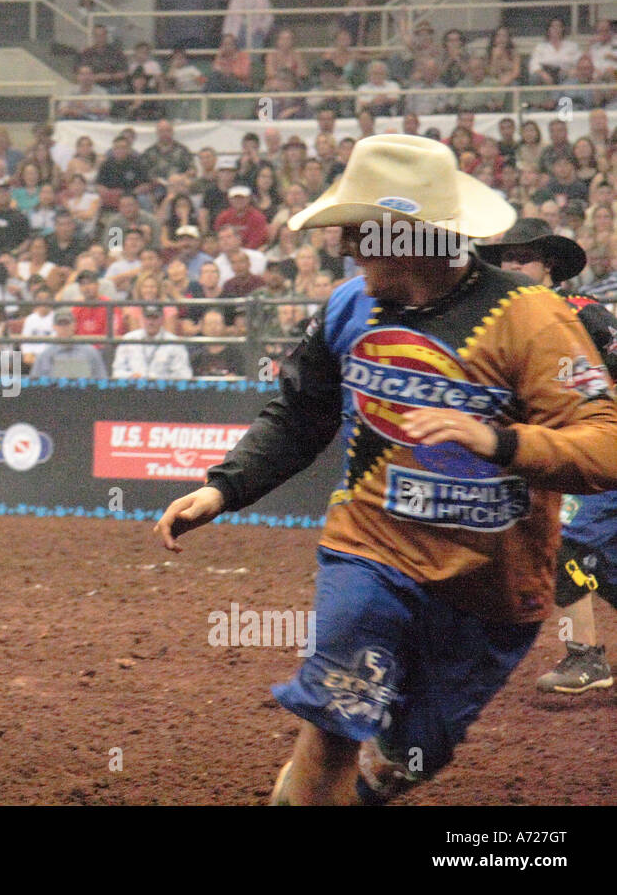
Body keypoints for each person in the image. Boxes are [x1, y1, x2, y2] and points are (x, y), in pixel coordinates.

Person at [155, 134, 617, 806]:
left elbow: (605, 449)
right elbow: (300, 411)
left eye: (356, 232)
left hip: (495, 591)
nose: (342, 246)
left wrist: (499, 440)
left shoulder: (534, 320)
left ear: (408, 235)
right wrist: (223, 487)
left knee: (399, 766)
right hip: (371, 555)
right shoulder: (348, 306)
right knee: (332, 730)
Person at [478, 218, 617, 694]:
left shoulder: (580, 309)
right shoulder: (505, 321)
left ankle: (585, 657)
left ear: (549, 267)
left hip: (599, 449)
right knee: (590, 555)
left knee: (568, 542)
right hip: (566, 455)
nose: (513, 266)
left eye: (524, 258)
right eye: (507, 259)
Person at [111, 304, 191, 379]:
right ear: (141, 318)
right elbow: (117, 371)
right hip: (133, 389)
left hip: (165, 391)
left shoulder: (174, 343)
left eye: (155, 318)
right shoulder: (128, 339)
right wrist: (131, 376)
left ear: (162, 319)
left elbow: (184, 374)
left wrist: (163, 381)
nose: (151, 322)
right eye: (148, 318)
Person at [31, 308, 107, 378]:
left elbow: (101, 378)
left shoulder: (90, 352)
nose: (64, 328)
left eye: (67, 323)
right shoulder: (45, 355)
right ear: (54, 327)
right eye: (60, 324)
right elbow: (35, 384)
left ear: (74, 325)